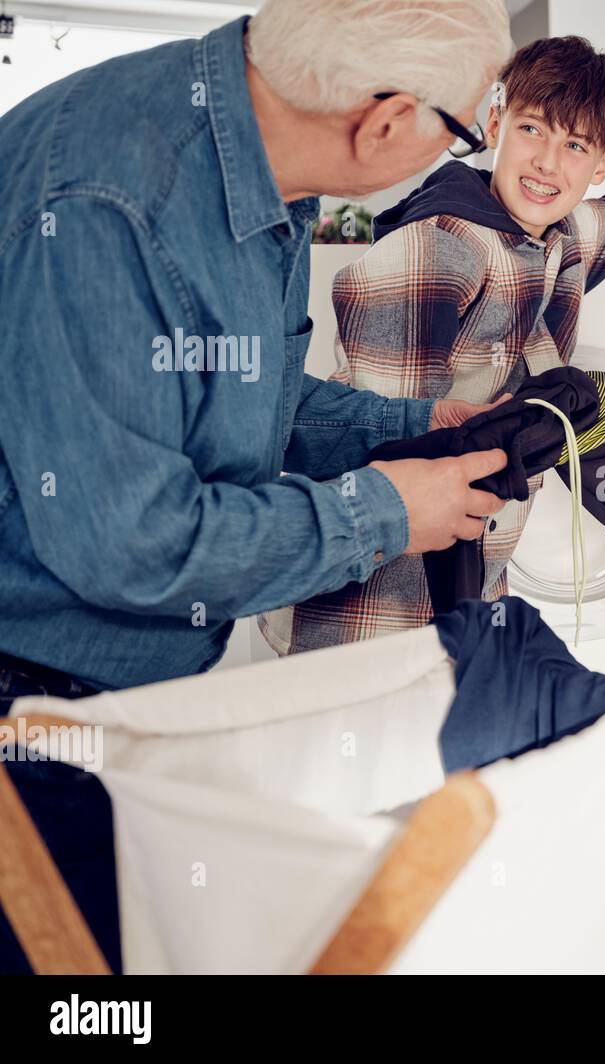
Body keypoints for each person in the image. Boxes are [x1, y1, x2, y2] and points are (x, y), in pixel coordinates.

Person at [0, 0, 516, 974]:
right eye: (467, 128)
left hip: (120, 704)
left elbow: (247, 398)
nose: (469, 156)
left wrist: (413, 428)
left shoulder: (268, 175)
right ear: (386, 122)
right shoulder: (114, 202)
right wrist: (385, 513)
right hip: (27, 720)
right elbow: (134, 543)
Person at [263, 34, 605, 654]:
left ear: (601, 164)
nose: (549, 163)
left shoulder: (564, 235)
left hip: (467, 589)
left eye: (575, 146)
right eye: (532, 130)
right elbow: (391, 467)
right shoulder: (434, 252)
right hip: (365, 614)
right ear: (495, 124)